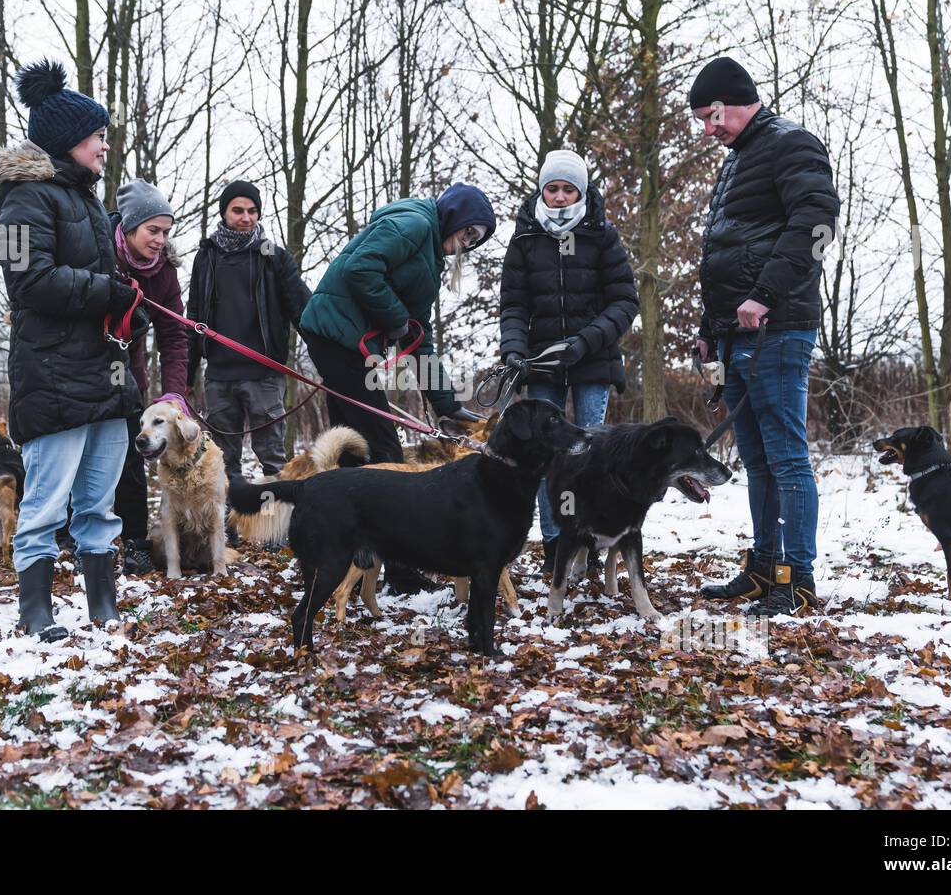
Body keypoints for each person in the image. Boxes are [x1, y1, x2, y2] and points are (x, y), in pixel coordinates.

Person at [0, 59, 148, 641]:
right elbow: (26, 284)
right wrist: (108, 291)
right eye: (97, 136)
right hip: (51, 377)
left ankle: (102, 608)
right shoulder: (19, 200)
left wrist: (128, 302)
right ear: (67, 141)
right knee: (46, 505)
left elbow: (98, 288)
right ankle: (36, 613)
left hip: (102, 377)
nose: (105, 146)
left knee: (99, 504)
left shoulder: (86, 202)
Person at [688, 56, 839, 617]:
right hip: (735, 334)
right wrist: (710, 327)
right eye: (701, 120)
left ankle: (796, 578)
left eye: (711, 116)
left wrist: (767, 295)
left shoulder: (792, 144)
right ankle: (764, 567)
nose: (708, 130)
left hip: (778, 328)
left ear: (736, 99)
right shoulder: (739, 158)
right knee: (755, 459)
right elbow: (724, 252)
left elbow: (818, 224)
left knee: (785, 458)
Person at [299, 182, 492, 593]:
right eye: (469, 232)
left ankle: (346, 558)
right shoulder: (414, 224)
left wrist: (447, 404)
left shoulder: (431, 259)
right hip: (337, 337)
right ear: (455, 215)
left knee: (352, 450)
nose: (467, 244)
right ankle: (401, 572)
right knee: (385, 452)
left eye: (475, 241)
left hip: (347, 343)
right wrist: (394, 319)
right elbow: (361, 268)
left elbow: (419, 337)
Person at [498, 149, 638, 573]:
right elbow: (514, 304)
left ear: (581, 191)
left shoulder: (602, 235)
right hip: (540, 365)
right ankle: (557, 544)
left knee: (591, 453)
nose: (559, 196)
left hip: (593, 361)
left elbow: (624, 302)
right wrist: (514, 350)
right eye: (552, 188)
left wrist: (585, 341)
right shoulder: (525, 238)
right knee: (548, 459)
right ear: (543, 190)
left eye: (567, 189)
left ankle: (591, 541)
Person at [186, 180, 311, 478]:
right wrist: (188, 374)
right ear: (224, 213)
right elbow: (193, 318)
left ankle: (278, 524)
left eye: (253, 211)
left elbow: (303, 311)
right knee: (222, 462)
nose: (246, 218)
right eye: (238, 210)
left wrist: (330, 359)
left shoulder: (274, 257)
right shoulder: (206, 257)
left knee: (273, 460)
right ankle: (226, 524)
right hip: (218, 377)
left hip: (265, 376)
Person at [109, 179, 189, 576]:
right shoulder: (100, 253)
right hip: (86, 367)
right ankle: (70, 537)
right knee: (83, 457)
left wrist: (173, 393)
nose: (160, 240)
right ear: (127, 227)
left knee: (130, 459)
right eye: (152, 230)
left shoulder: (164, 274)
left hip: (130, 373)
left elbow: (175, 336)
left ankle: (136, 544)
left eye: (166, 232)